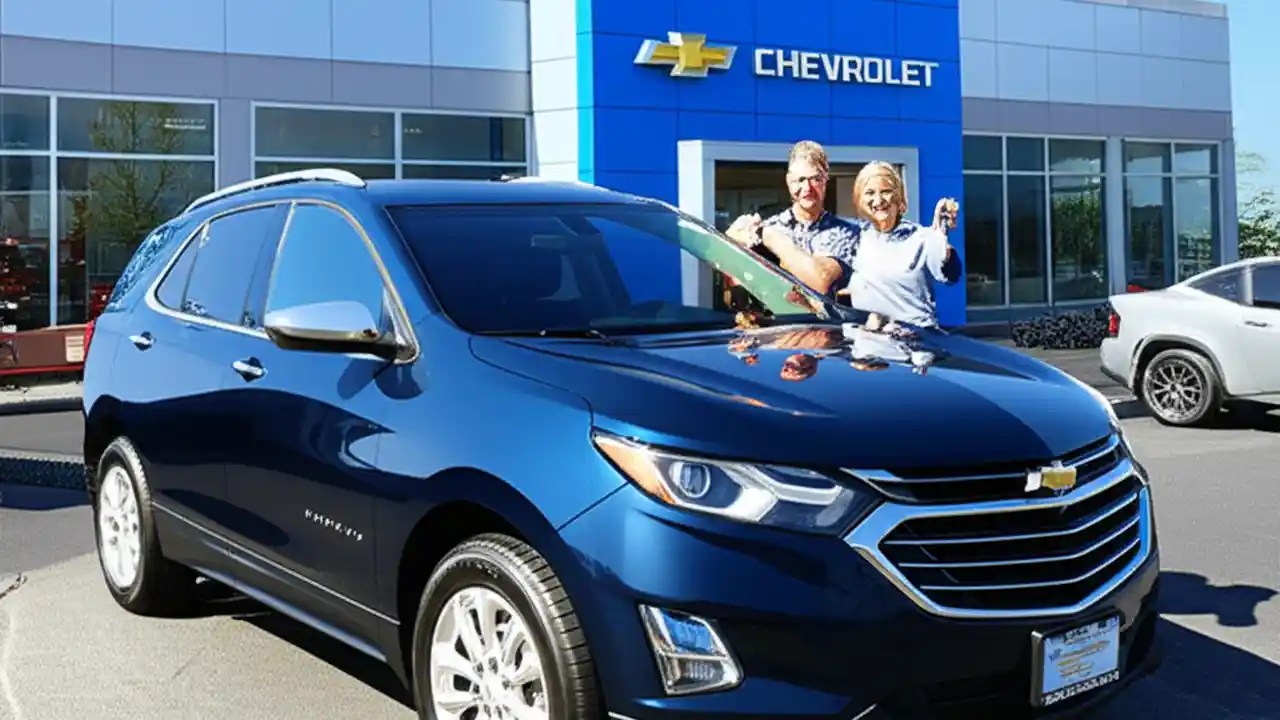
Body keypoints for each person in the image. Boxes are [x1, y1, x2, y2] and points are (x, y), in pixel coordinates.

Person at [723, 141, 859, 297]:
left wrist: (770, 237)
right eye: (800, 180)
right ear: (788, 182)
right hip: (776, 321)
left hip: (824, 321)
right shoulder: (769, 225)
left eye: (815, 179)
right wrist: (733, 244)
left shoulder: (846, 233)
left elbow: (821, 281)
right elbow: (737, 286)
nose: (807, 188)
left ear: (825, 180)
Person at [838, 161, 961, 329]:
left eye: (886, 191)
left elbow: (949, 275)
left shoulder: (921, 237)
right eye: (870, 193)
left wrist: (942, 240)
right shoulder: (854, 239)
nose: (878, 200)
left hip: (913, 345)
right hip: (866, 346)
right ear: (860, 200)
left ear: (899, 198)